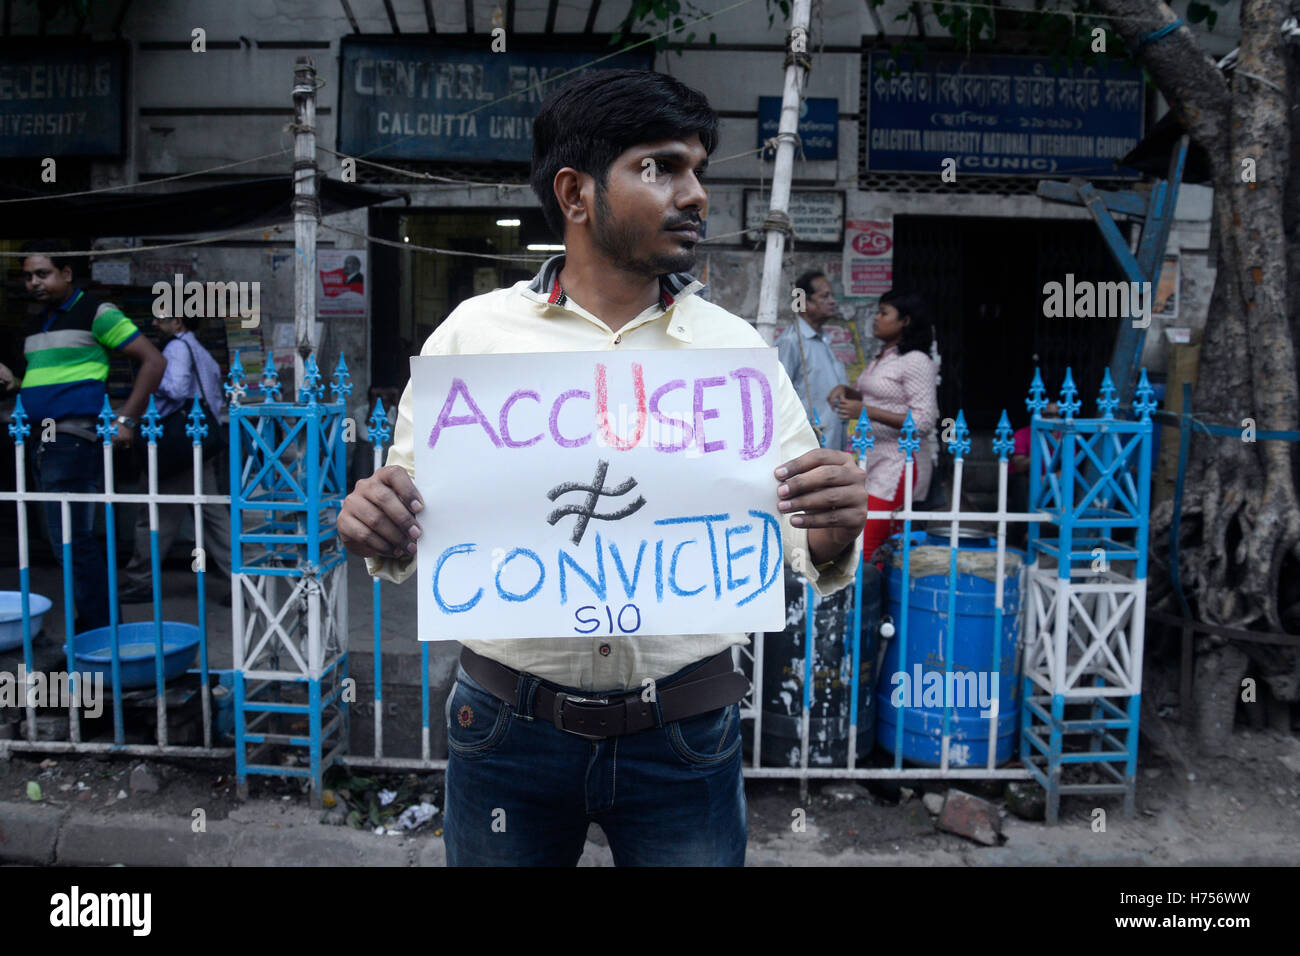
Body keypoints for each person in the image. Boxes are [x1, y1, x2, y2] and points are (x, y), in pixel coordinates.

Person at [338, 69, 867, 867]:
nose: (695, 194)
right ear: (575, 194)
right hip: (506, 731)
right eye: (661, 167)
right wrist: (374, 521)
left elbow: (804, 542)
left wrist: (831, 529)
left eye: (699, 171)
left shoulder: (734, 354)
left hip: (684, 735)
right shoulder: (473, 339)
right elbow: (410, 524)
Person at [0, 241, 166, 632]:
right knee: (67, 543)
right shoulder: (37, 323)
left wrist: (126, 420)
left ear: (66, 274)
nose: (34, 283)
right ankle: (96, 629)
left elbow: (154, 361)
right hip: (39, 441)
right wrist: (14, 384)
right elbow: (47, 382)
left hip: (71, 441)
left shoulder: (96, 312)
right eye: (27, 276)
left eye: (43, 273)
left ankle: (98, 632)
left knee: (74, 544)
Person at [119, 311, 233, 605]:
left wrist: (150, 377)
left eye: (160, 319)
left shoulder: (175, 349)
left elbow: (178, 389)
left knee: (155, 516)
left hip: (174, 446)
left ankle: (141, 580)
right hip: (197, 443)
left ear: (178, 323)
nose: (154, 323)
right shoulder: (202, 352)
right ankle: (241, 577)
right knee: (213, 516)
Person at [829, 289, 939, 564]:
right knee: (876, 542)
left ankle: (872, 605)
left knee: (869, 544)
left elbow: (924, 421)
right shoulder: (886, 356)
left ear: (906, 321)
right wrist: (848, 392)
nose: (876, 319)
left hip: (899, 462)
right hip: (872, 458)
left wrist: (863, 410)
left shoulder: (916, 361)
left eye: (883, 313)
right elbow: (882, 399)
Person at [775, 270, 848, 451]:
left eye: (832, 296)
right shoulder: (792, 341)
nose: (832, 301)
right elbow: (778, 395)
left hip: (831, 443)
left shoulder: (824, 339)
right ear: (805, 302)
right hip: (808, 447)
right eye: (825, 296)